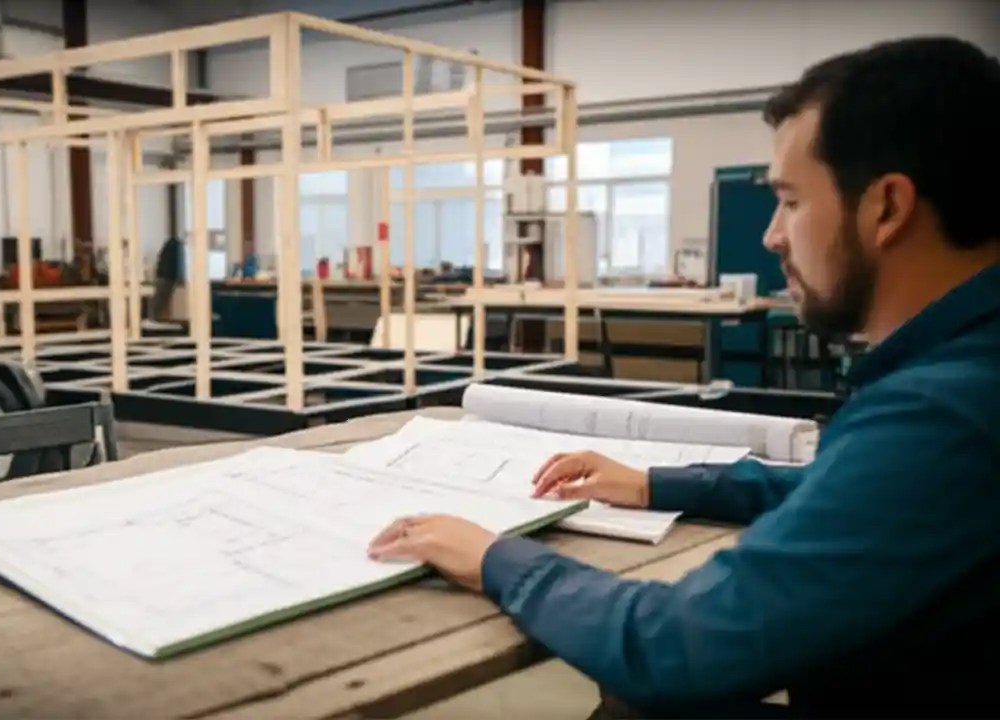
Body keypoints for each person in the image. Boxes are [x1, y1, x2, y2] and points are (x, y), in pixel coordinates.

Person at [367, 37, 1000, 717]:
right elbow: (842, 489)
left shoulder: (942, 413)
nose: (771, 236)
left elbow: (672, 649)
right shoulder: (962, 377)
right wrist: (653, 482)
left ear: (886, 208)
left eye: (789, 200)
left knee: (638, 700)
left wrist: (494, 557)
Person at [152, 236, 182, 321]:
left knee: (158, 305)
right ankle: (162, 320)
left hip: (162, 277)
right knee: (164, 304)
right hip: (169, 278)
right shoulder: (177, 249)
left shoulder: (167, 249)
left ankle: (157, 321)